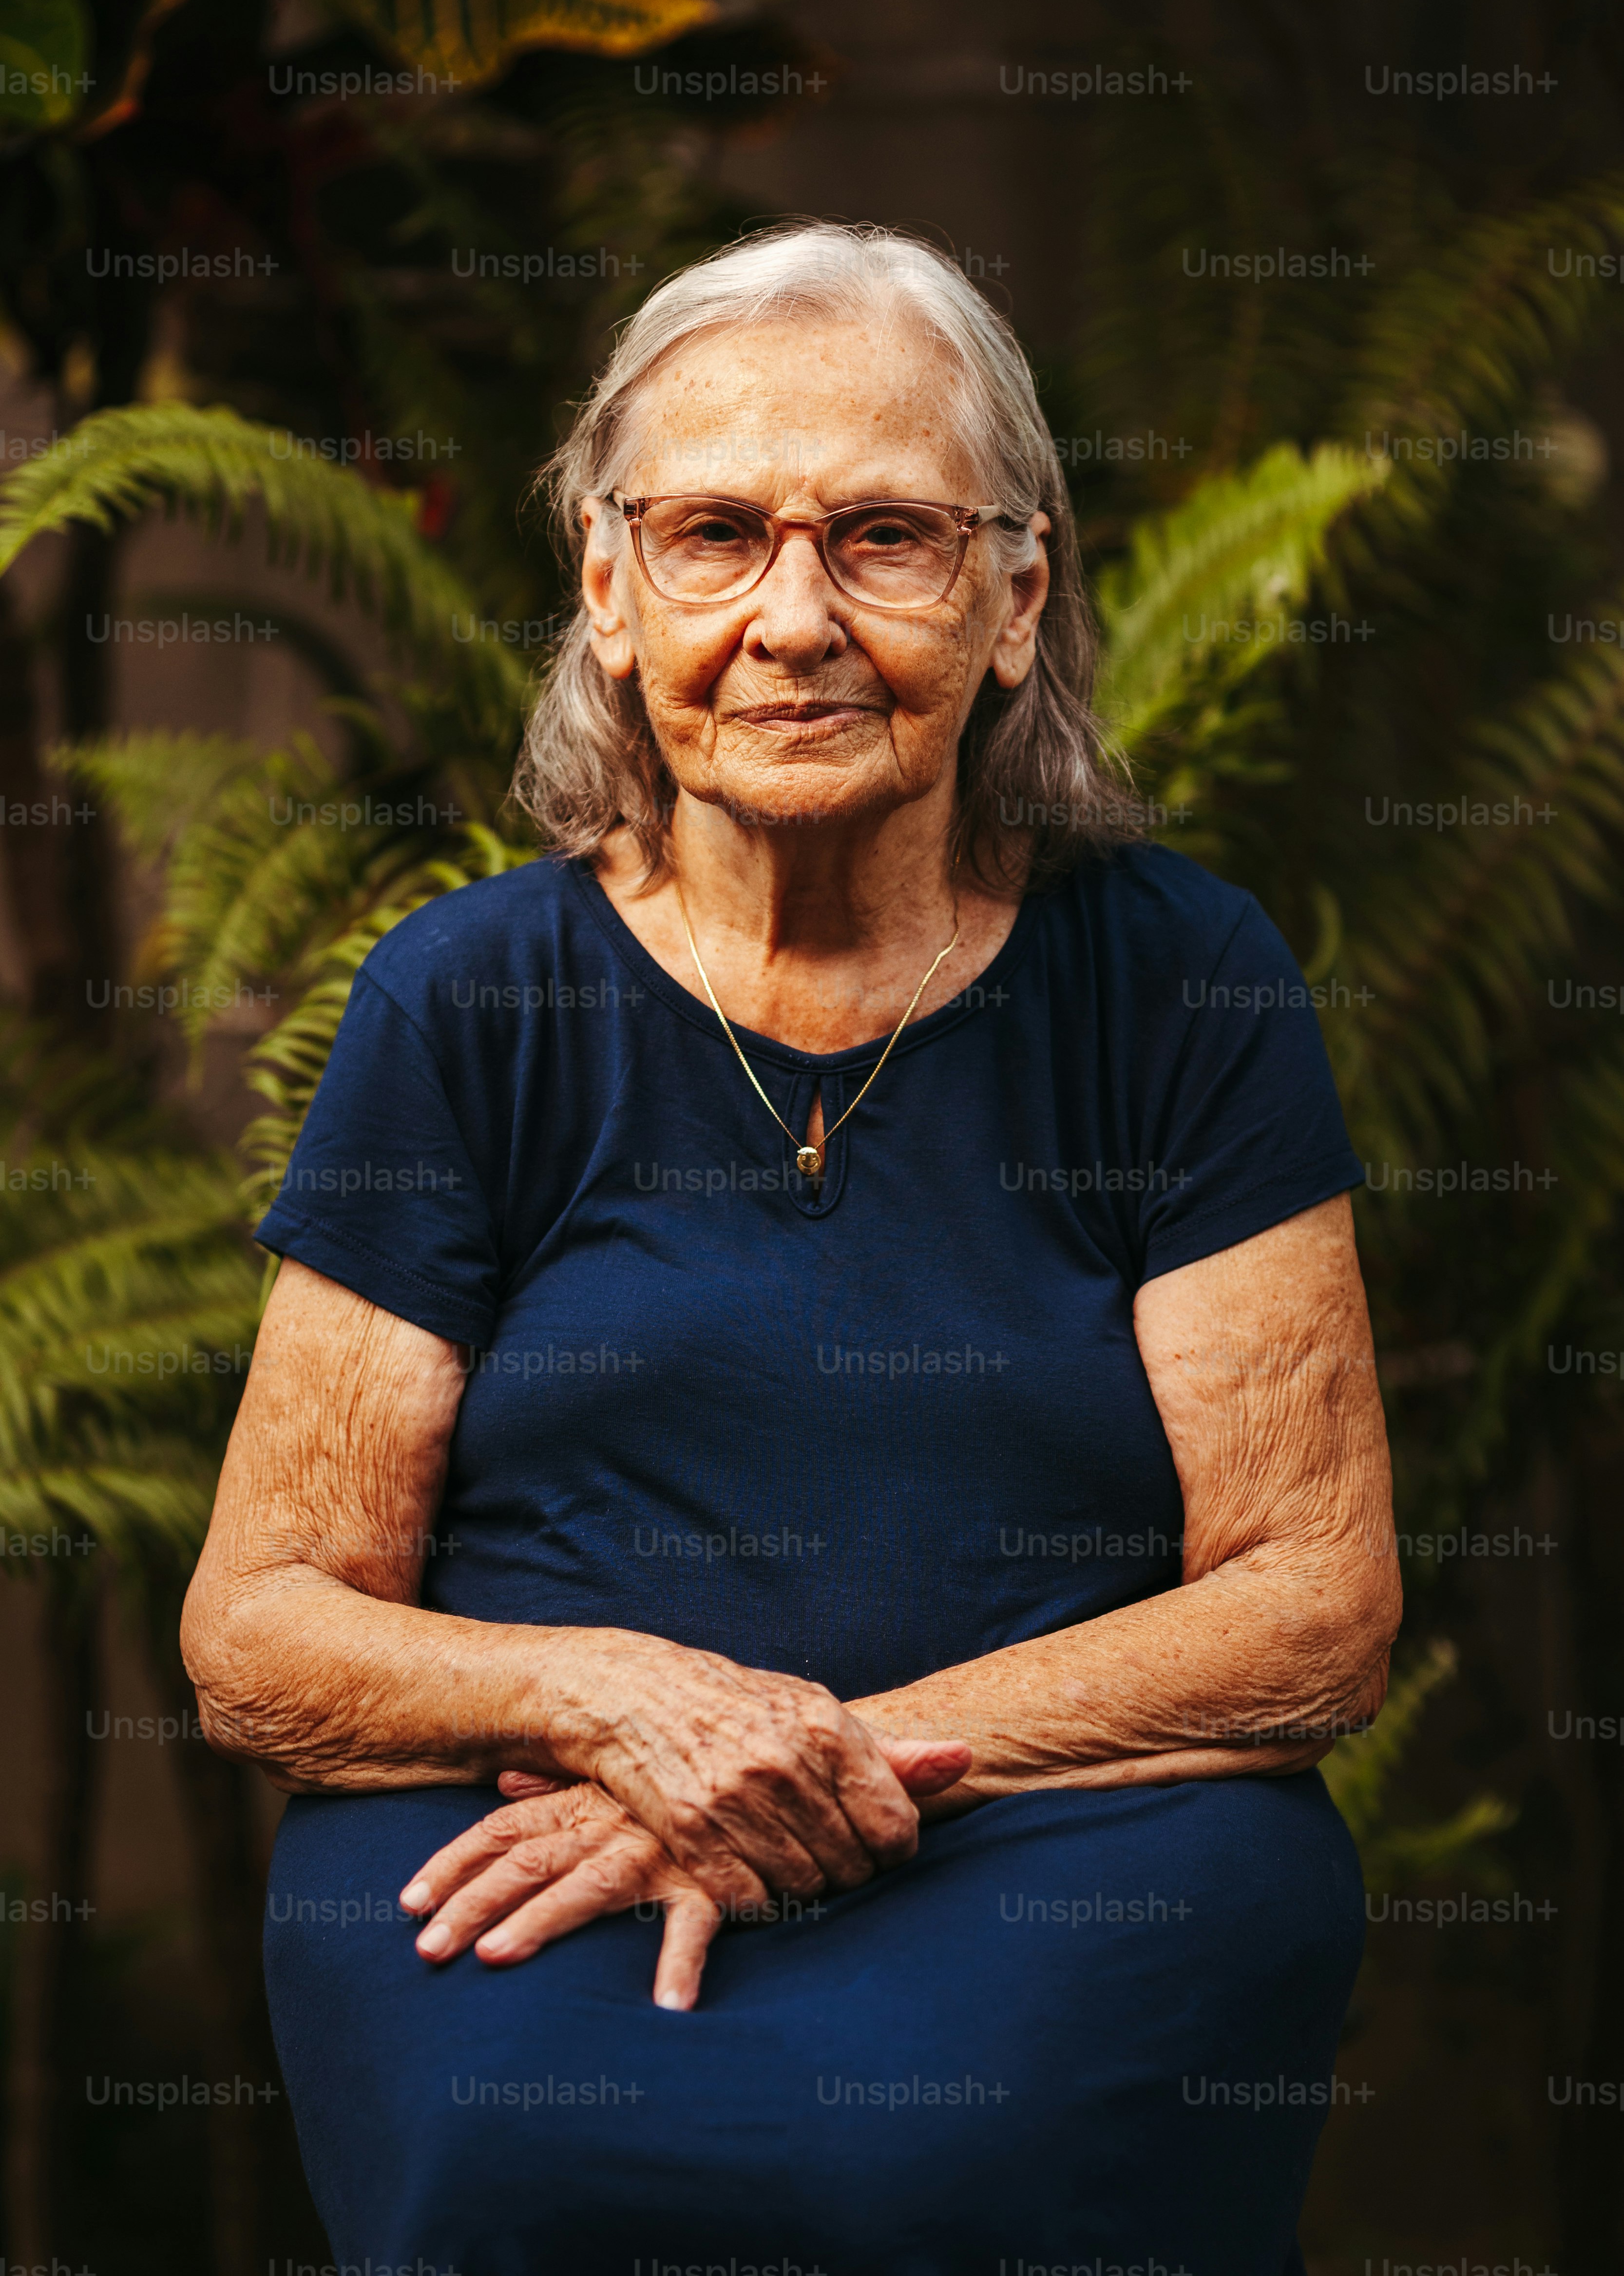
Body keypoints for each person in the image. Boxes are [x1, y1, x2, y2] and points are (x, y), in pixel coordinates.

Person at [182, 220, 1401, 2276]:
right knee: (525, 2171)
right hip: (537, 1831)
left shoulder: (1180, 980)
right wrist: (623, 1707)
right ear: (606, 588)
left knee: (940, 2178)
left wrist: (811, 1765)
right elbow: (263, 1624)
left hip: (1069, 1827)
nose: (794, 617)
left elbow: (1314, 1601)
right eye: (717, 534)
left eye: (887, 540)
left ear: (1019, 596)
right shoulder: (468, 1003)